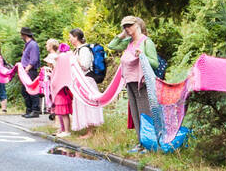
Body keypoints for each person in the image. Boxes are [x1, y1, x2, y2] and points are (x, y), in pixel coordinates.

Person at [106, 15, 160, 152]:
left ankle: (151, 145)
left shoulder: (146, 42)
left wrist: (142, 55)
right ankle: (141, 143)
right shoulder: (128, 42)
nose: (127, 28)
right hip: (130, 82)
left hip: (143, 83)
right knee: (135, 115)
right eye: (124, 26)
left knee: (145, 114)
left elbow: (155, 63)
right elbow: (111, 46)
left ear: (137, 25)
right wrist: (122, 34)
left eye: (129, 25)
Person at [68, 28, 102, 132]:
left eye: (70, 37)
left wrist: (75, 59)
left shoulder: (84, 50)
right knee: (82, 105)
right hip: (79, 82)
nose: (69, 40)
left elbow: (85, 65)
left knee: (88, 105)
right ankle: (87, 128)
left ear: (76, 37)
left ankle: (90, 131)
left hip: (87, 81)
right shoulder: (76, 50)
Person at [18, 27, 41, 118]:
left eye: (21, 34)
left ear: (24, 35)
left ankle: (35, 110)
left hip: (30, 71)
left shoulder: (33, 45)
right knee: (24, 91)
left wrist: (27, 69)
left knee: (32, 91)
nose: (21, 36)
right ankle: (29, 109)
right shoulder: (28, 44)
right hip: (25, 71)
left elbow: (34, 59)